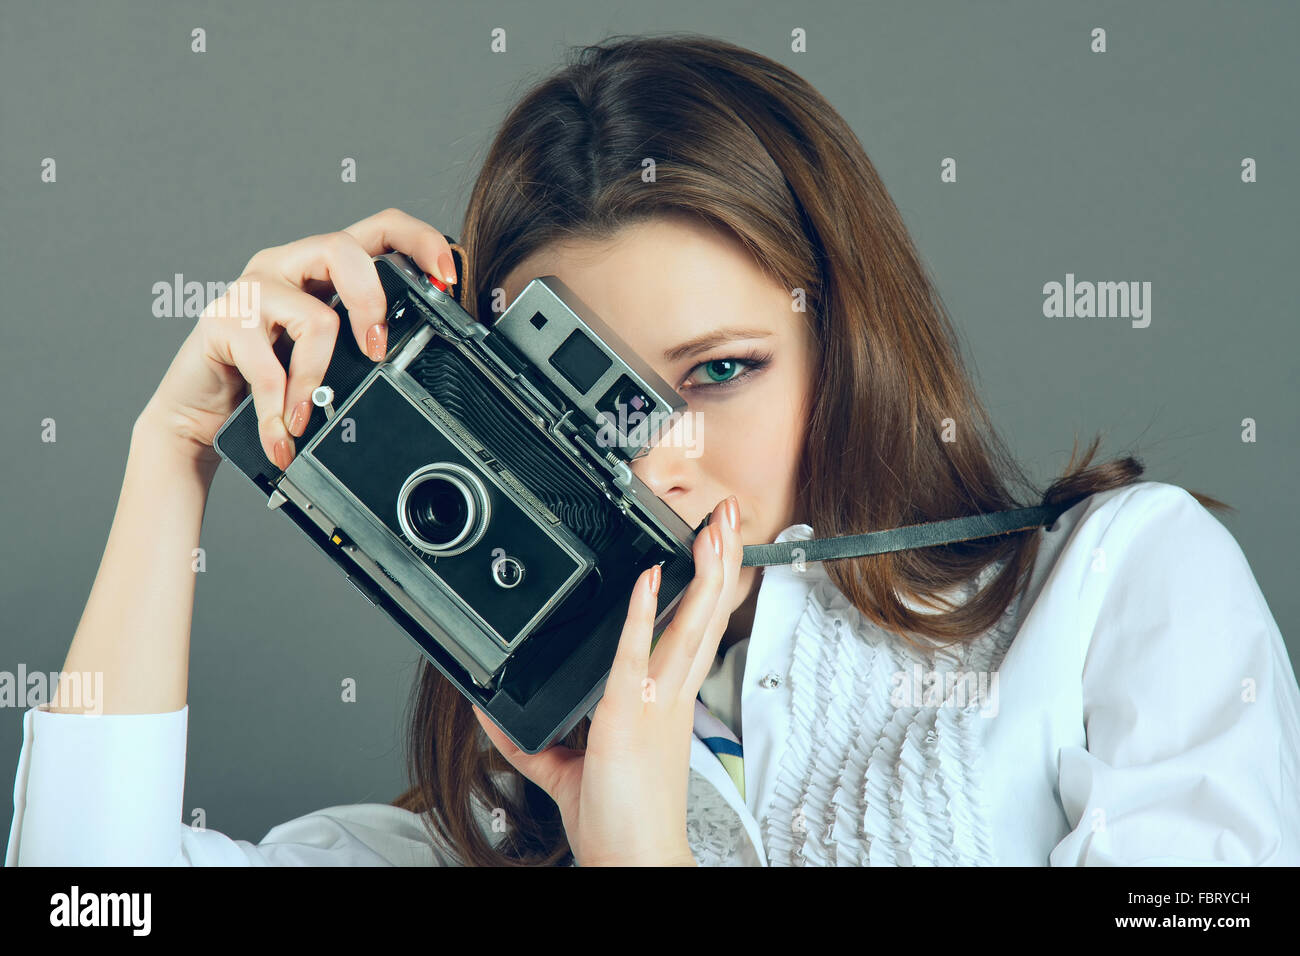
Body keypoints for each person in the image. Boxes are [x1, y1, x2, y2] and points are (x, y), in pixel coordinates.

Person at [8, 34, 1299, 867]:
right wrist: (170, 458)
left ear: (844, 350)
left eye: (722, 372)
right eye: (589, 408)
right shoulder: (478, 833)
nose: (663, 461)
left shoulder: (1116, 590)